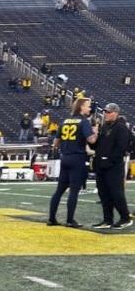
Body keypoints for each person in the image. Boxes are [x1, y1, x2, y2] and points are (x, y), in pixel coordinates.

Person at [47, 97, 97, 228]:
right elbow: (91, 140)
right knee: (74, 190)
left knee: (59, 190)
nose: (90, 108)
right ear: (81, 107)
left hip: (65, 158)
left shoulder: (65, 121)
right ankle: (70, 220)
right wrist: (96, 132)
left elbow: (56, 143)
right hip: (77, 158)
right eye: (88, 106)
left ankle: (51, 218)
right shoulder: (84, 121)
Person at [91, 103, 132, 230]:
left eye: (109, 112)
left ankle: (125, 218)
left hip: (114, 166)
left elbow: (124, 146)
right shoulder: (104, 126)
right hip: (101, 165)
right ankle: (107, 219)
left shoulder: (121, 127)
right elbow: (96, 146)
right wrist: (94, 137)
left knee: (116, 193)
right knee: (104, 194)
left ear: (116, 113)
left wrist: (111, 159)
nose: (106, 114)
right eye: (105, 112)